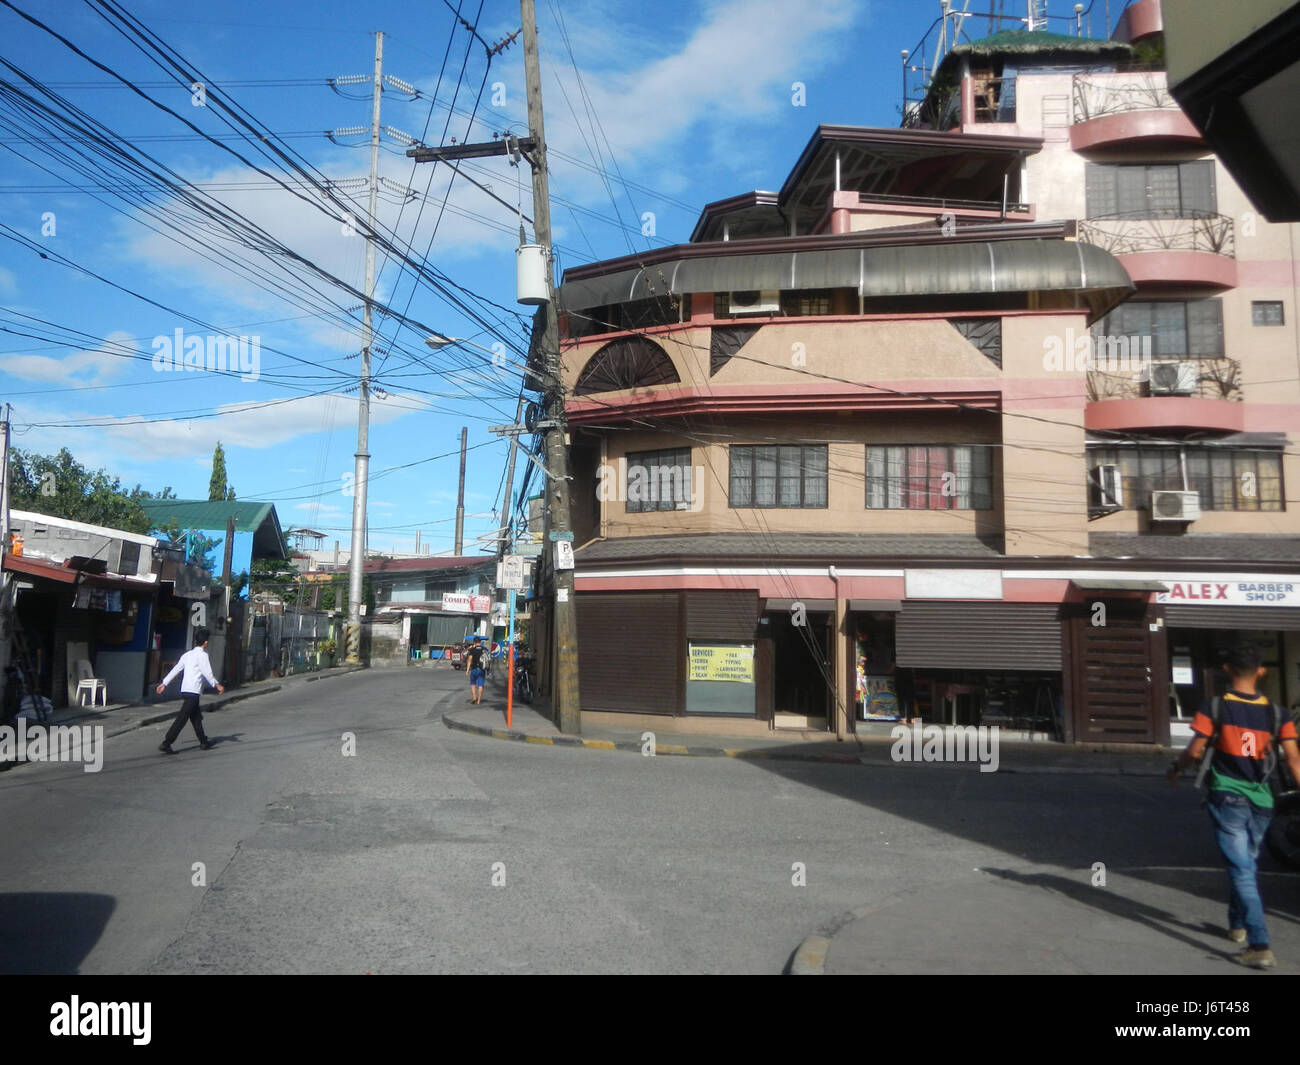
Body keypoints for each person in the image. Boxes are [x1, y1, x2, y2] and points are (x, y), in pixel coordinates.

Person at [1168, 643, 1300, 969]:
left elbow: (1195, 751)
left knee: (1242, 870)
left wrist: (1176, 770)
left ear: (1226, 670)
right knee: (1246, 865)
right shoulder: (1278, 713)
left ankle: (1260, 945)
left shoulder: (1213, 708)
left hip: (1227, 797)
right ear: (1261, 671)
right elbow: (1294, 759)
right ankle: (1237, 925)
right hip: (1262, 801)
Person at [156, 626, 224, 753]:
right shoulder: (202, 655)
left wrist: (164, 683)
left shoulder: (187, 655)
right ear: (206, 642)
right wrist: (216, 684)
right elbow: (207, 672)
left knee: (196, 717)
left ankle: (203, 741)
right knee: (182, 718)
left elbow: (176, 669)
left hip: (185, 690)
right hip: (193, 691)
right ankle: (167, 742)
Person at [465, 636, 486, 705]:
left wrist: (467, 670)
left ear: (474, 642)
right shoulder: (484, 649)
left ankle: (474, 697)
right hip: (482, 669)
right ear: (480, 642)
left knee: (473, 683)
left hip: (474, 669)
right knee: (480, 685)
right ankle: (479, 701)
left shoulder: (472, 650)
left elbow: (469, 660)